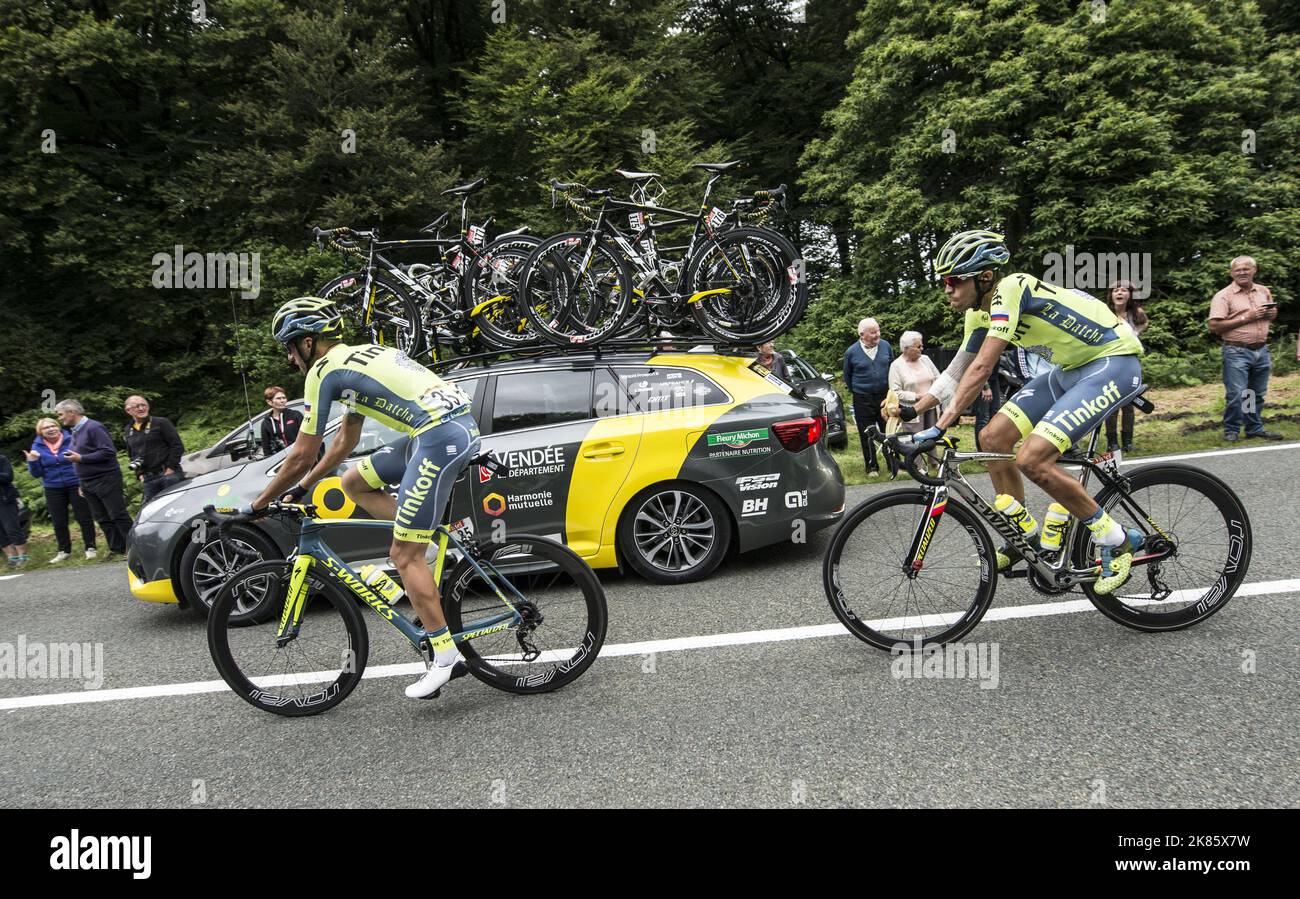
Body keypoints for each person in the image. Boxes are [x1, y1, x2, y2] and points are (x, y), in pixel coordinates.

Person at [240, 297, 480, 700]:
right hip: (446, 429)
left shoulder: (323, 370)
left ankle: (445, 656)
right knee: (354, 481)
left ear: (308, 342)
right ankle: (428, 542)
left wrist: (259, 503)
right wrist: (302, 488)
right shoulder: (359, 359)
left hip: (439, 439)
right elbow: (342, 443)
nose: (289, 358)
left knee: (404, 555)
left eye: (290, 346)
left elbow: (301, 452)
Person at [897, 230, 1147, 594]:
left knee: (1033, 459)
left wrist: (940, 427)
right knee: (991, 438)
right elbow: (956, 372)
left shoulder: (1012, 288)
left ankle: (1119, 539)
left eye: (954, 280)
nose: (947, 289)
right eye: (944, 282)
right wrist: (913, 414)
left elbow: (983, 368)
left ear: (984, 277)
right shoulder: (977, 315)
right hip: (1068, 370)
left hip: (1112, 362)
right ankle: (1021, 538)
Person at [1208, 256, 1283, 442]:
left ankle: (1253, 428)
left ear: (1254, 270)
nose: (1241, 273)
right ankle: (1231, 429)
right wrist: (1246, 318)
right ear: (1231, 273)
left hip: (1261, 350)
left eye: (1245, 269)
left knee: (1254, 393)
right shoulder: (1224, 296)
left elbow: (1269, 316)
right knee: (1237, 394)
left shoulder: (1263, 291)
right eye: (1237, 270)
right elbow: (1214, 326)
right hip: (1237, 351)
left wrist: (1272, 314)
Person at [55, 398, 133, 558]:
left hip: (106, 478)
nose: (59, 418)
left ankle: (134, 548)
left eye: (60, 414)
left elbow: (108, 452)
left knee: (117, 514)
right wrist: (80, 482)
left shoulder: (94, 427)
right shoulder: (75, 431)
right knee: (102, 518)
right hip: (87, 482)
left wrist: (81, 459)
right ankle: (117, 548)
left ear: (72, 412)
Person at [23, 418, 98, 562]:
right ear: (41, 432)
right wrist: (32, 461)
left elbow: (82, 461)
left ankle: (90, 547)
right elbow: (36, 474)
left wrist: (82, 481)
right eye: (46, 428)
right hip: (53, 487)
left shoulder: (72, 439)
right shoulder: (37, 446)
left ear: (58, 427)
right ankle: (64, 550)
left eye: (53, 426)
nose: (51, 429)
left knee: (84, 517)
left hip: (75, 483)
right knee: (59, 521)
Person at [843, 317, 894, 477]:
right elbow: (847, 376)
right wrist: (860, 391)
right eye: (873, 332)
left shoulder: (886, 346)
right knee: (867, 432)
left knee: (889, 430)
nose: (877, 334)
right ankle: (872, 467)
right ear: (862, 334)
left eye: (878, 330)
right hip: (862, 397)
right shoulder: (851, 352)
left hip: (884, 396)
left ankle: (894, 464)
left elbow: (893, 368)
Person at [886, 331, 942, 474]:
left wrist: (932, 394)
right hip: (912, 408)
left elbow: (938, 378)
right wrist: (917, 396)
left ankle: (934, 462)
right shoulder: (896, 365)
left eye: (921, 345)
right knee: (914, 437)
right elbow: (895, 391)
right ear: (906, 348)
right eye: (918, 346)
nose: (921, 348)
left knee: (932, 434)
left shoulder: (926, 359)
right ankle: (917, 467)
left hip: (931, 404)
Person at [1103, 280, 1149, 452]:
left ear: (1130, 295)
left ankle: (1128, 441)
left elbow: (1144, 323)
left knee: (1129, 402)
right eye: (1116, 290)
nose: (1119, 293)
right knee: (1111, 402)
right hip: (1109, 362)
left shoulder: (1136, 313)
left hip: (1129, 363)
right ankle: (1112, 442)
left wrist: (1135, 334)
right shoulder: (1105, 312)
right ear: (1111, 294)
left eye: (1123, 290)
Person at [123, 395, 185, 504]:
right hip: (148, 479)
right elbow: (132, 454)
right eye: (137, 406)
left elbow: (177, 446)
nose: (141, 408)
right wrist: (139, 474)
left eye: (144, 405)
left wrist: (170, 468)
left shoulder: (161, 422)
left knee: (177, 506)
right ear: (128, 410)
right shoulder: (128, 430)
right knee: (152, 511)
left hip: (168, 474)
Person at [259, 386, 303, 457]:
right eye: (278, 398)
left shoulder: (295, 415)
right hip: (281, 461)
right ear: (269, 402)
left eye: (284, 398)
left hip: (300, 455)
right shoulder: (266, 423)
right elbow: (266, 449)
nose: (282, 401)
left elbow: (307, 437)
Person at [0, 454, 28, 568]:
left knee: (12, 528)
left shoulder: (2, 459)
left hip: (5, 500)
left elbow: (8, 477)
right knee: (0, 533)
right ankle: (12, 558)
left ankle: (23, 557)